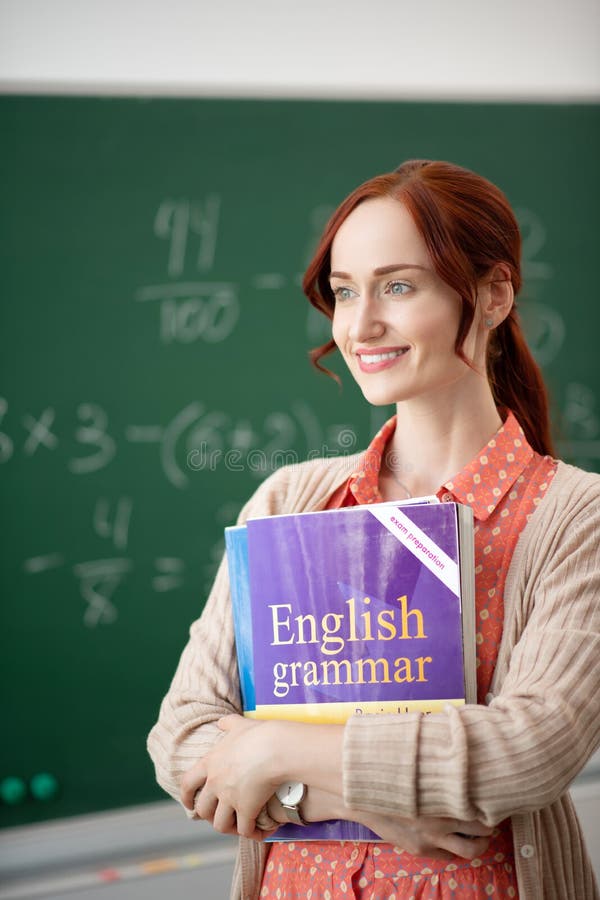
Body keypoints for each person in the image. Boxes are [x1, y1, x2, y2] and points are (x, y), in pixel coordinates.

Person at [147, 160, 600, 899]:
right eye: (345, 291)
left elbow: (524, 753)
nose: (359, 327)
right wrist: (363, 803)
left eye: (398, 286)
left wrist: (275, 749)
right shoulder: (290, 501)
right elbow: (181, 738)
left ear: (493, 294)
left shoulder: (576, 517)